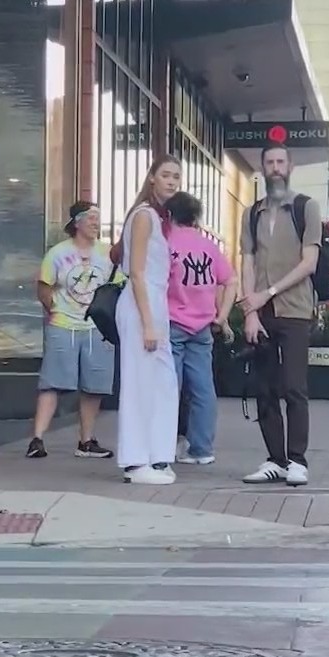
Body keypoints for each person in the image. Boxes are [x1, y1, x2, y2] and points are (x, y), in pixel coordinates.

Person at [239, 142, 321, 487]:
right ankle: (276, 458)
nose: (275, 167)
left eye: (280, 162)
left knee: (294, 387)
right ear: (262, 168)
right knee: (265, 388)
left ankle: (297, 460)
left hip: (295, 308)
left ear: (290, 167)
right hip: (261, 311)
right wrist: (250, 310)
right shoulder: (252, 212)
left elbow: (310, 262)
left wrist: (268, 293)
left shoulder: (306, 207)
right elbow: (247, 260)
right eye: (269, 162)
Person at [25, 200, 116, 460]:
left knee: (94, 385)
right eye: (91, 218)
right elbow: (44, 286)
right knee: (52, 382)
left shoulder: (108, 254)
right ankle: (37, 439)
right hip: (63, 324)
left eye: (98, 218)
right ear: (77, 222)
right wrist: (54, 309)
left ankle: (86, 441)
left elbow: (116, 286)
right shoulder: (57, 253)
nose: (96, 223)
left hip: (96, 328)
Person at [115, 155, 182, 485]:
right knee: (140, 383)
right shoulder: (143, 216)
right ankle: (136, 460)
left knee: (162, 384)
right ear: (152, 178)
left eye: (176, 177)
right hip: (142, 303)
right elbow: (137, 272)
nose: (171, 181)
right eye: (166, 175)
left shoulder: (158, 218)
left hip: (154, 303)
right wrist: (149, 323)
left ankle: (157, 454)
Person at [164, 191, 236, 466]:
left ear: (169, 216)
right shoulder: (209, 247)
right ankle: (201, 449)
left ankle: (165, 445)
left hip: (172, 323)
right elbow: (230, 281)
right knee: (203, 389)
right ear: (196, 217)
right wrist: (223, 316)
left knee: (170, 387)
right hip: (203, 325)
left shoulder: (167, 244)